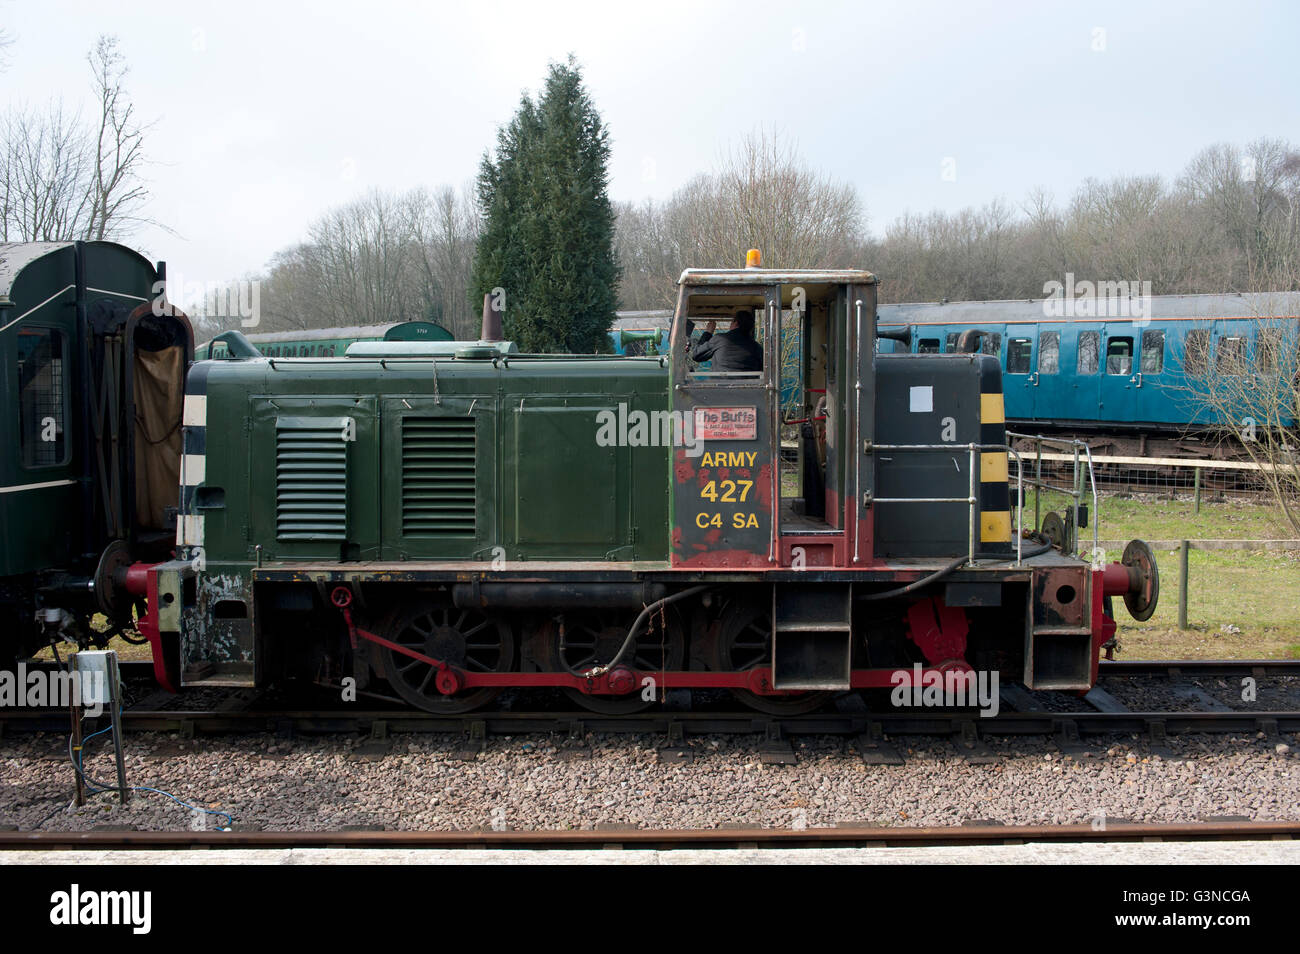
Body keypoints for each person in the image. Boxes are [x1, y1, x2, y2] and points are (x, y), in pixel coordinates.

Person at [691, 309, 763, 372]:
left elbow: (696, 355)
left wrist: (708, 332)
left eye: (731, 322)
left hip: (719, 386)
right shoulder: (757, 347)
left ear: (736, 323)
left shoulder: (719, 339)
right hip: (749, 387)